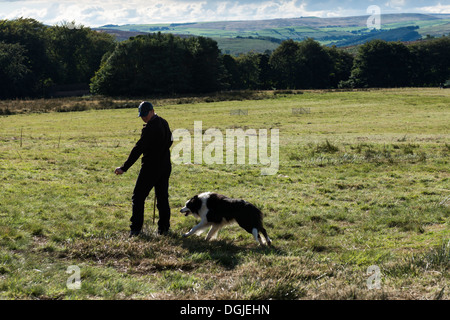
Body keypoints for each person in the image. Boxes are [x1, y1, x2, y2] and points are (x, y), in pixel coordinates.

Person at [115, 101, 173, 237]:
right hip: (165, 166)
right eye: (142, 115)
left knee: (138, 197)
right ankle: (164, 229)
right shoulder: (164, 122)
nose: (143, 117)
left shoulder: (150, 128)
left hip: (150, 168)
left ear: (152, 111)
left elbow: (138, 148)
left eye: (145, 114)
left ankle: (135, 229)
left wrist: (124, 167)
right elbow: (171, 140)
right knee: (162, 197)